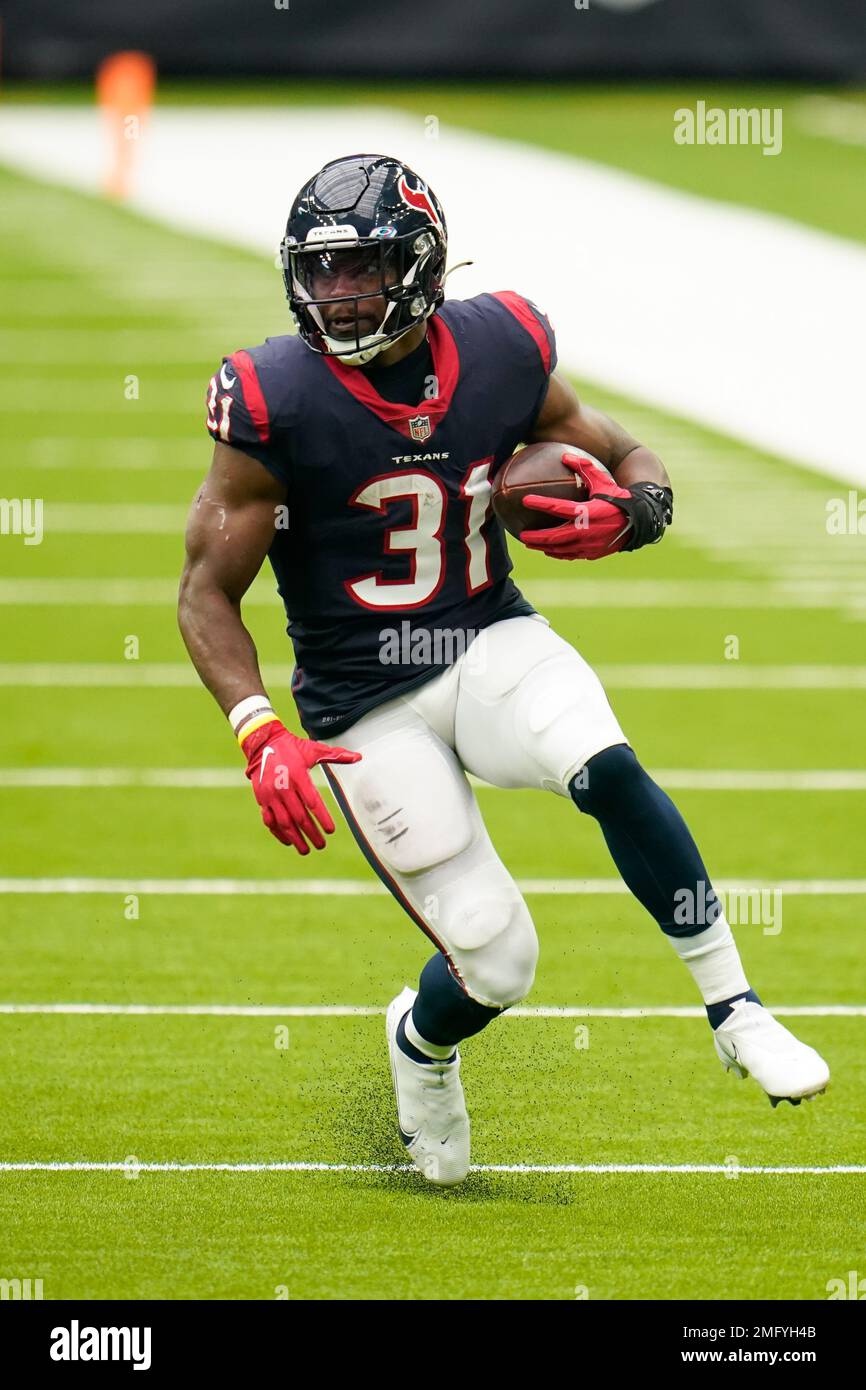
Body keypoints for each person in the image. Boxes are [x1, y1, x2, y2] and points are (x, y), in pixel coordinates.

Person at [178, 154, 829, 1187]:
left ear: (424, 264)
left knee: (604, 762)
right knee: (496, 960)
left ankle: (733, 1006)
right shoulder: (274, 393)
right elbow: (205, 588)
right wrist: (257, 724)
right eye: (322, 271)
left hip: (485, 636)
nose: (338, 293)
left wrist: (635, 513)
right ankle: (420, 1048)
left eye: (364, 268)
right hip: (361, 699)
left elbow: (623, 452)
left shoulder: (502, 345)